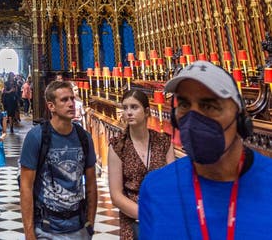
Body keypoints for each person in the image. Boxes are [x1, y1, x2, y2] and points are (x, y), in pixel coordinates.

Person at [139, 59, 272, 239]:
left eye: (209, 106)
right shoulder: (155, 188)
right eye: (184, 105)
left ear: (240, 119)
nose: (194, 118)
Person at [20, 79, 98, 239]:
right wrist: (29, 232)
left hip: (78, 226)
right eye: (64, 99)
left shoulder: (84, 137)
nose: (71, 103)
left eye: (72, 98)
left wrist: (90, 223)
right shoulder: (36, 137)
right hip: (47, 227)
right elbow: (26, 187)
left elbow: (91, 183)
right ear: (51, 106)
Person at [108, 88, 174, 239]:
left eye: (134, 107)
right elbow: (116, 195)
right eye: (125, 108)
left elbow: (172, 184)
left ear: (146, 111)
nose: (129, 112)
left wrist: (164, 211)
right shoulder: (118, 146)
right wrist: (145, 213)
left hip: (162, 214)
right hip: (132, 219)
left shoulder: (163, 142)